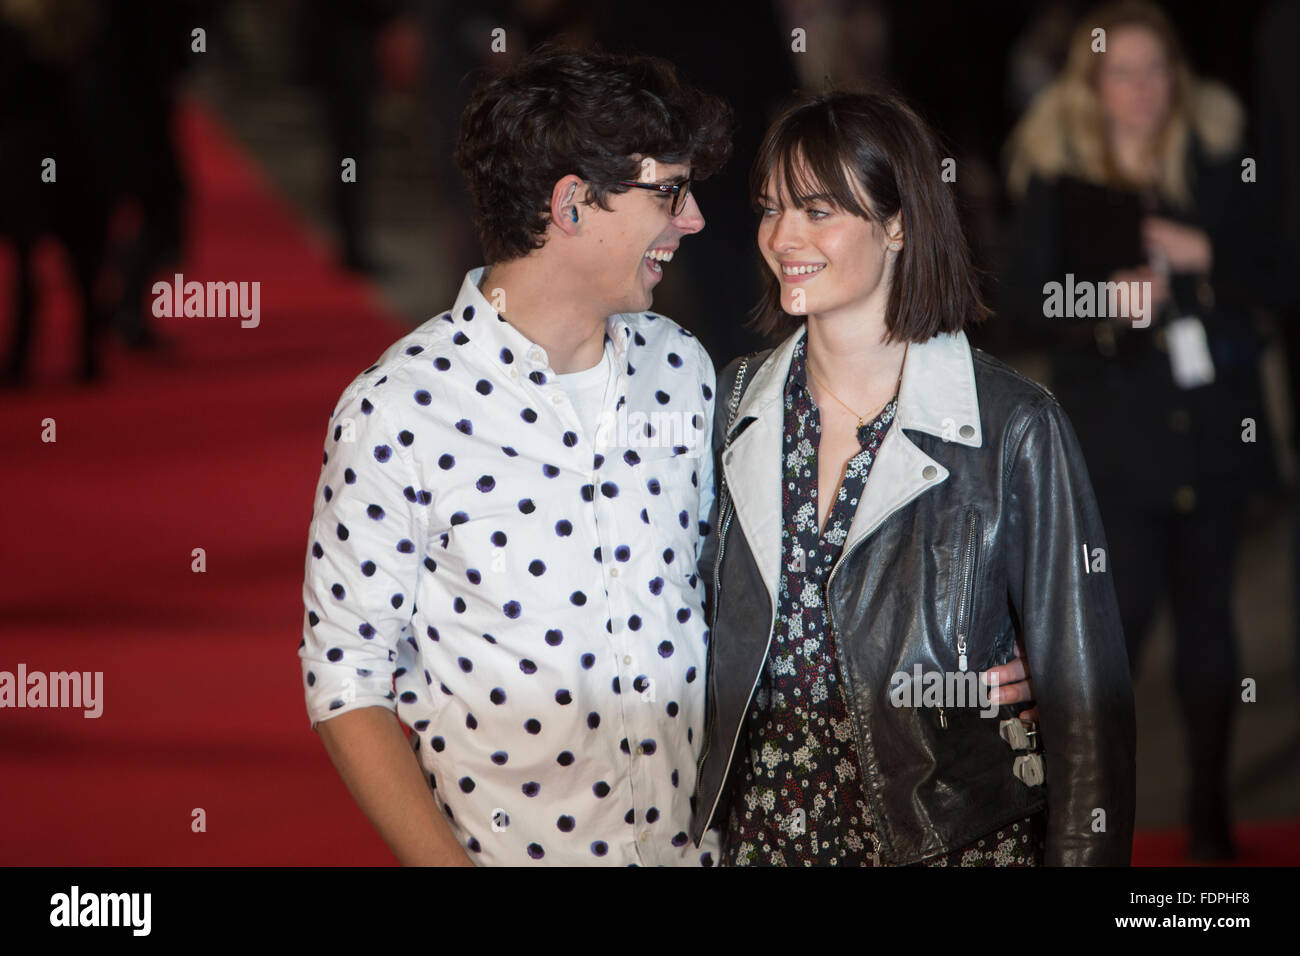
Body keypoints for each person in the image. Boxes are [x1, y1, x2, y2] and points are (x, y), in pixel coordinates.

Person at [297, 44, 735, 865]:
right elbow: (345, 674)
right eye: (668, 192)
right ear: (573, 205)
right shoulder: (396, 412)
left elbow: (724, 595)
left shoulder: (682, 367)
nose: (693, 220)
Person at [691, 90, 1137, 866]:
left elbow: (1089, 717)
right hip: (766, 846)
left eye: (818, 209)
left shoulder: (1013, 427)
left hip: (950, 844)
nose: (782, 237)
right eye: (771, 209)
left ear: (897, 223)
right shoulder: (733, 402)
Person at [1003, 0, 1278, 861]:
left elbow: (1279, 270)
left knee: (1212, 630)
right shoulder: (1059, 176)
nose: (1143, 89)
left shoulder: (1218, 160)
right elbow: (1025, 306)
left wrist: (1200, 256)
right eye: (1122, 71)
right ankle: (1089, 812)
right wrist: (1104, 307)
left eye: (1157, 69)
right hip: (1118, 444)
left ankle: (1208, 815)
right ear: (1092, 83)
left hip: (1215, 428)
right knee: (1115, 628)